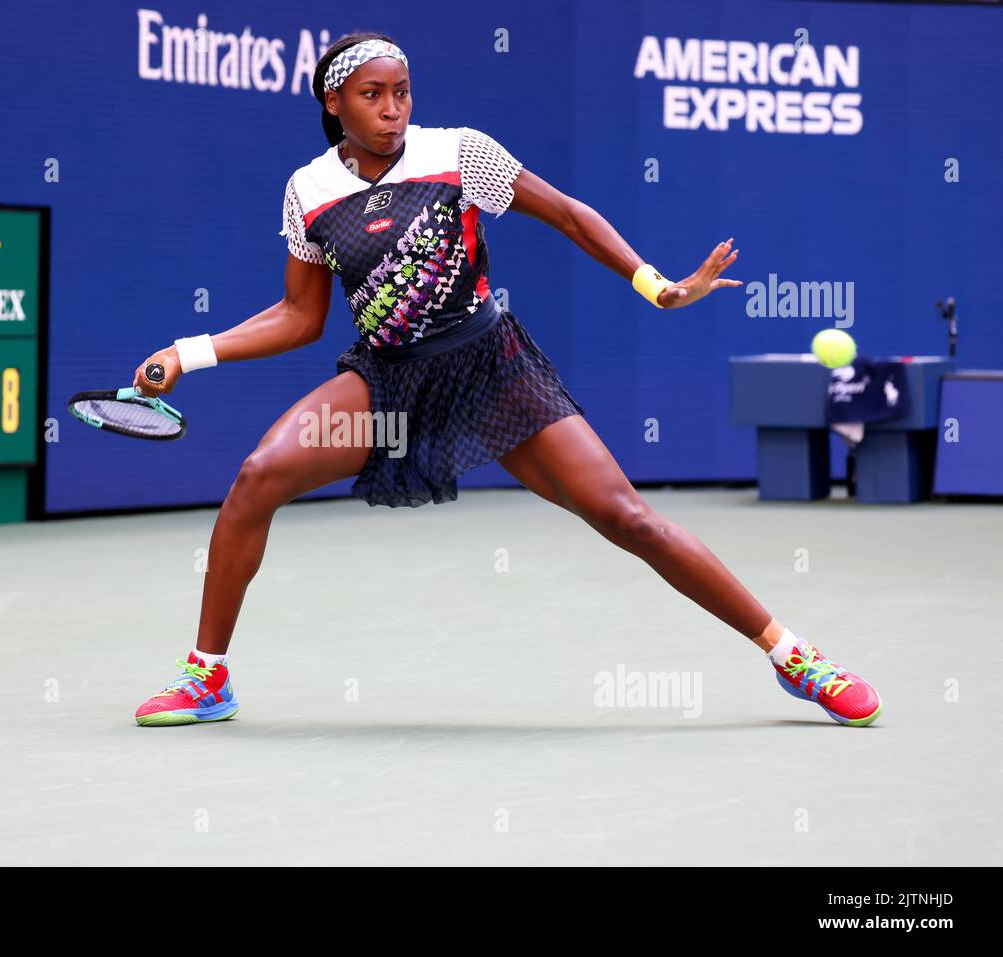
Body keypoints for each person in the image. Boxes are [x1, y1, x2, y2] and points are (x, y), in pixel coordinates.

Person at [127, 34, 881, 728]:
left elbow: (572, 216)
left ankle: (792, 655)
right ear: (333, 103)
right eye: (372, 94)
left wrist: (659, 286)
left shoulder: (460, 153)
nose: (392, 108)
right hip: (389, 392)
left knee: (628, 517)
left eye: (402, 91)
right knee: (259, 474)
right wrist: (188, 353)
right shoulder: (309, 190)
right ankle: (208, 677)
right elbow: (298, 316)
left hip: (492, 371)